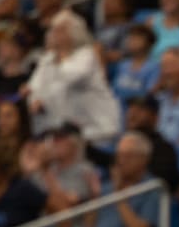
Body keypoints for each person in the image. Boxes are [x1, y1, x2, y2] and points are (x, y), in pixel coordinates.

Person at [26, 11, 122, 145]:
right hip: (65, 130)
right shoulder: (47, 60)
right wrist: (35, 100)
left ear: (74, 32)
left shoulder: (87, 55)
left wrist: (60, 57)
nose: (54, 35)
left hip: (97, 128)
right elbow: (34, 86)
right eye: (53, 30)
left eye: (60, 31)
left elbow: (71, 77)